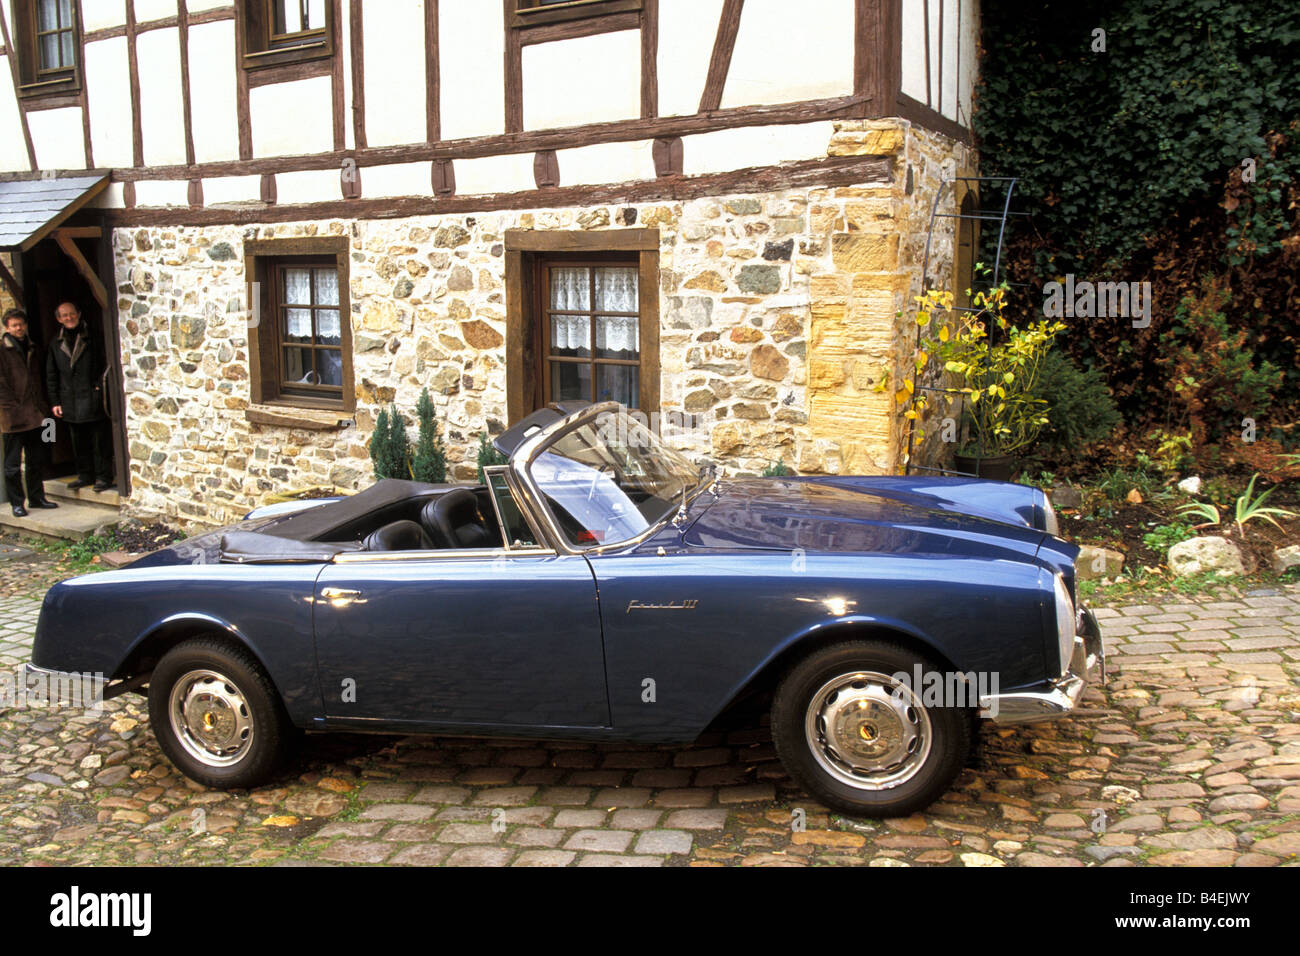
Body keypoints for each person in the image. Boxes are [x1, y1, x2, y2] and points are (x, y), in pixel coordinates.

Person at [46, 301, 114, 492]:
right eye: (64, 315)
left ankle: (103, 477)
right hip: (70, 399)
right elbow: (51, 374)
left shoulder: (93, 337)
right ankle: (85, 475)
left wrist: (100, 389)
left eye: (72, 314)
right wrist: (55, 401)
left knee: (100, 441)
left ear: (79, 313)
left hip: (92, 396)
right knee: (79, 442)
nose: (69, 318)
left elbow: (106, 365)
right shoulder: (55, 342)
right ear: (59, 319)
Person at [0, 308, 58, 517]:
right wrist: (12, 408)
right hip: (12, 417)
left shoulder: (32, 346)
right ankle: (17, 503)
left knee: (36, 458)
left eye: (21, 324)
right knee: (12, 464)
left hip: (35, 415)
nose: (19, 328)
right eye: (14, 325)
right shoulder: (2, 350)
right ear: (7, 327)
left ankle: (37, 498)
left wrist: (43, 408)